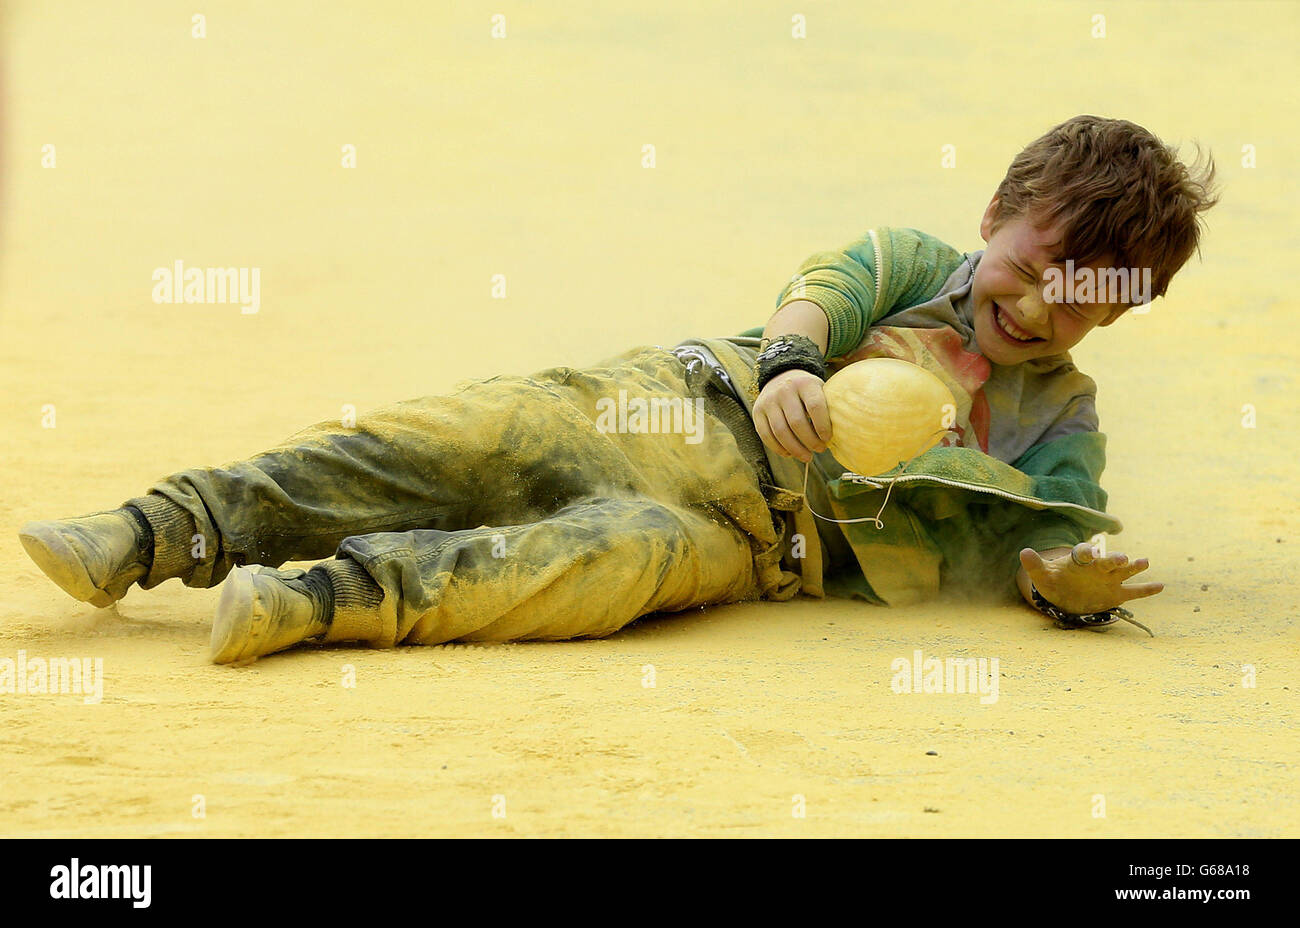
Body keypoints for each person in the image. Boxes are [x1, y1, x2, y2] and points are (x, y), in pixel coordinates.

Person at [19, 115, 1218, 663]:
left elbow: (1052, 529)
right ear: (992, 219)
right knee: (455, 444)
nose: (1031, 312)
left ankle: (317, 603)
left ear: (1117, 307)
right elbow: (823, 287)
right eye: (1022, 272)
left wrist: (1062, 583)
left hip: (745, 543)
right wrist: (795, 362)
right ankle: (160, 528)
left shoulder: (1059, 416)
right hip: (669, 405)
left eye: (1077, 303)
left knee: (596, 567)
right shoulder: (910, 266)